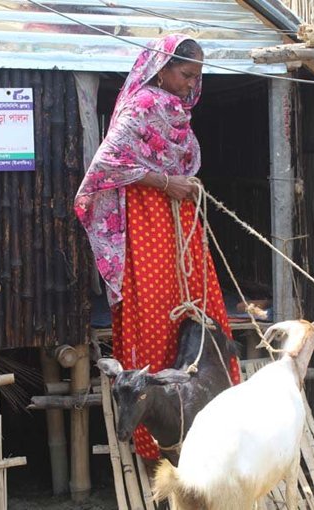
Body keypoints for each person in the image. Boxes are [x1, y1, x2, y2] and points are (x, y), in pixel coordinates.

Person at [74, 34, 241, 463]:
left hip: (175, 220)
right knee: (154, 316)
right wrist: (168, 183)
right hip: (147, 224)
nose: (191, 84)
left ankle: (218, 421)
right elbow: (106, 164)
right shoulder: (142, 105)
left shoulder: (176, 110)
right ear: (161, 68)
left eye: (197, 76)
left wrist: (183, 188)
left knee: (198, 308)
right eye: (186, 74)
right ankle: (157, 442)